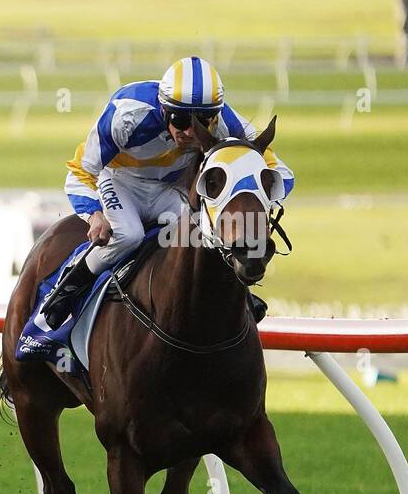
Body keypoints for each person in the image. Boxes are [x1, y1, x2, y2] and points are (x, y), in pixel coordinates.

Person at [42, 56, 295, 328]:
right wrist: (94, 215)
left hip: (169, 190)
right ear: (163, 109)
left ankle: (241, 294)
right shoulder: (126, 114)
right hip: (120, 183)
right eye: (180, 119)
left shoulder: (225, 122)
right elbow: (80, 171)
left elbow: (280, 172)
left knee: (202, 232)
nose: (189, 131)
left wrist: (259, 204)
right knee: (129, 235)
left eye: (203, 121)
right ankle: (68, 289)